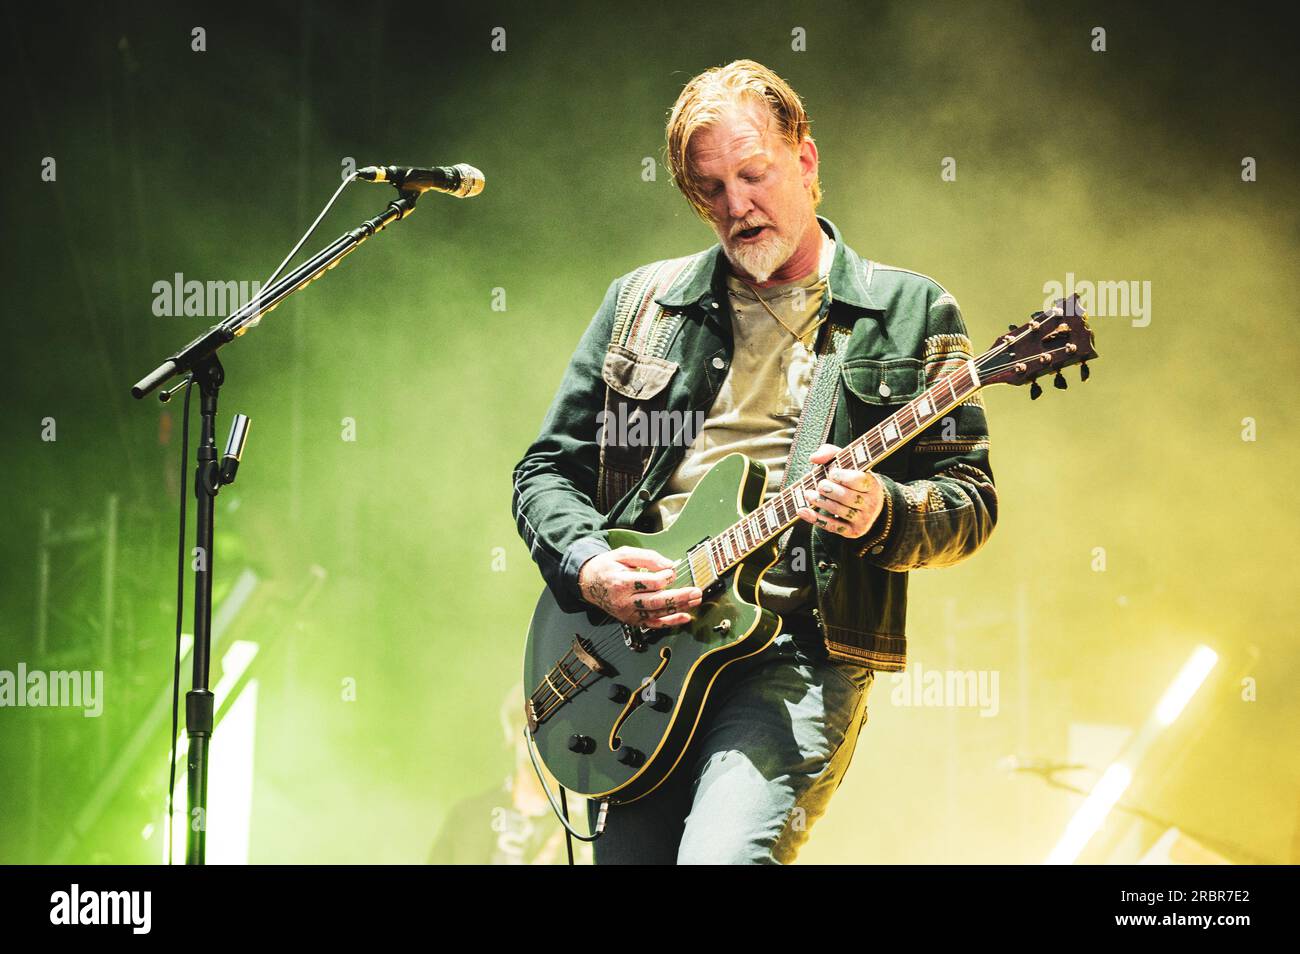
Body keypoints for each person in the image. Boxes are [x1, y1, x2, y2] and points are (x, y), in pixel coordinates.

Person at [511, 59, 997, 863]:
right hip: (638, 657)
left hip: (796, 651)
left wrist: (884, 510)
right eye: (711, 190)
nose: (737, 205)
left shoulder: (908, 312)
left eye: (755, 173)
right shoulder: (641, 305)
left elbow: (970, 503)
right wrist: (594, 569)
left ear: (806, 162)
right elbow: (545, 474)